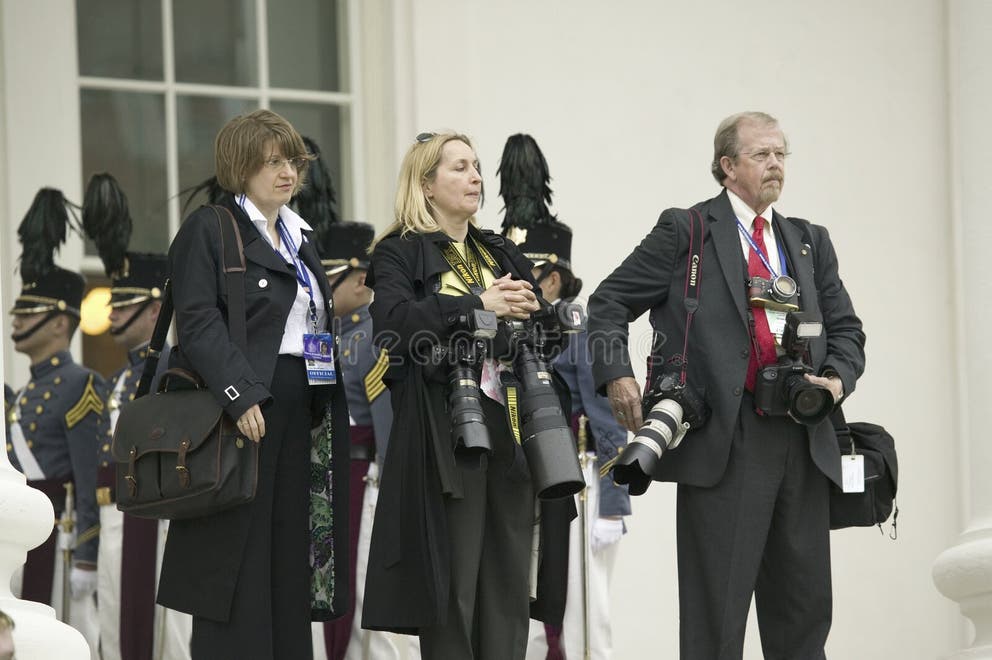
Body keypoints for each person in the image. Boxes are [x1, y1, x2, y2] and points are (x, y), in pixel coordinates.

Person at [588, 111, 866, 659]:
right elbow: (607, 302)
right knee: (716, 622)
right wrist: (617, 373)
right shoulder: (686, 230)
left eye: (782, 153)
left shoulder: (808, 241)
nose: (775, 164)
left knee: (804, 615)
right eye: (762, 154)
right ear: (727, 166)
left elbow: (847, 331)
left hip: (802, 438)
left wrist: (833, 381)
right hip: (725, 440)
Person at [155, 109, 351, 660]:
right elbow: (195, 322)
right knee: (238, 558)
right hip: (242, 405)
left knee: (291, 553)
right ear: (240, 167)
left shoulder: (301, 237)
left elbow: (312, 326)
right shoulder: (211, 228)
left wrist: (320, 394)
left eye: (291, 160)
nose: (286, 171)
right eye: (271, 162)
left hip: (301, 402)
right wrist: (239, 394)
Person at [361, 131, 555, 660]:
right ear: (426, 185)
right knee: (454, 588)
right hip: (447, 433)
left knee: (511, 585)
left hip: (511, 426)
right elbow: (395, 329)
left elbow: (550, 331)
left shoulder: (498, 248)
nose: (475, 178)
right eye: (459, 168)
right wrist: (477, 306)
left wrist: (537, 315)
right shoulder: (397, 252)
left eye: (476, 167)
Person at [495, 133, 629, 660]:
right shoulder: (504, 330)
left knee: (581, 622)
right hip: (517, 481)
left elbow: (607, 418)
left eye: (523, 275)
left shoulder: (582, 330)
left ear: (553, 277)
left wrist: (612, 502)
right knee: (523, 614)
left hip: (577, 484)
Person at [81, 172, 192, 660]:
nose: (114, 314)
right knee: (116, 632)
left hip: (158, 517)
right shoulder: (119, 379)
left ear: (154, 311)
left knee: (165, 638)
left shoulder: (172, 368)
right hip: (117, 519)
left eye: (126, 304)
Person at [6, 188, 103, 655]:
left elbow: (87, 478)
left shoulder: (80, 384)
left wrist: (86, 552)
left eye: (29, 311)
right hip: (22, 529)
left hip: (57, 528)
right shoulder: (21, 394)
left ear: (61, 323)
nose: (15, 318)